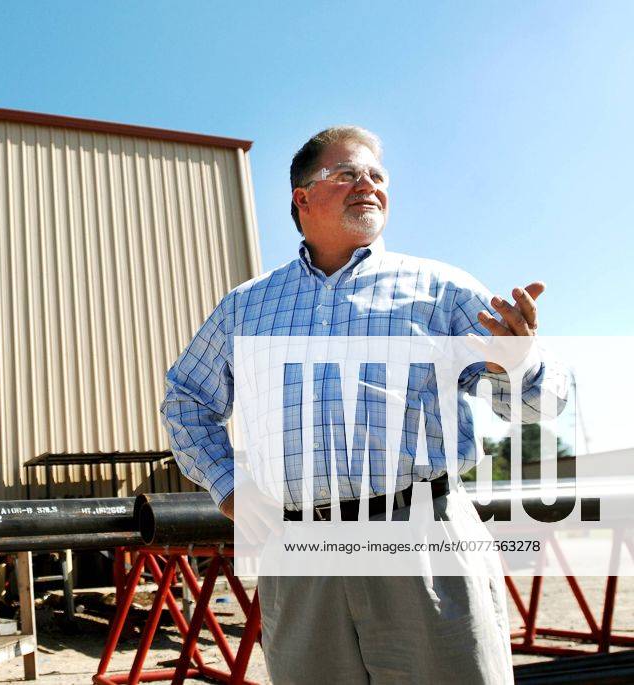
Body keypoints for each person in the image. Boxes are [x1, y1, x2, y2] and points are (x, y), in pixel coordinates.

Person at [160, 126, 570, 684]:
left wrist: (521, 363)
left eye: (377, 175)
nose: (369, 185)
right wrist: (227, 483)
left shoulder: (441, 290)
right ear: (301, 199)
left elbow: (538, 407)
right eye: (348, 173)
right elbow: (186, 400)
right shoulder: (245, 308)